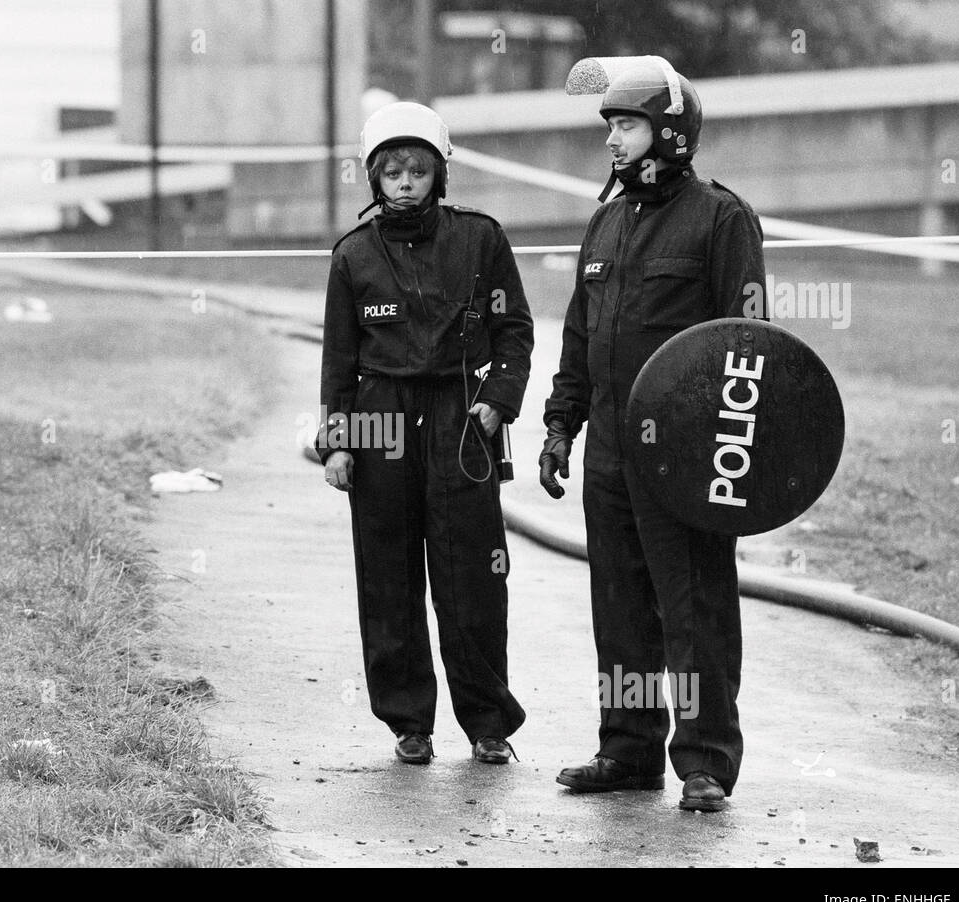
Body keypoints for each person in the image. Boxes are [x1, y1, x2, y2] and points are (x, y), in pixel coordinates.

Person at [539, 59, 766, 811]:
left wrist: (732, 450)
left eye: (626, 125)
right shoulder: (604, 221)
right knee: (620, 605)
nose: (612, 139)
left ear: (668, 131)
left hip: (686, 454)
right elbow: (579, 336)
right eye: (609, 125)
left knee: (694, 606)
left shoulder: (721, 219)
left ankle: (703, 762)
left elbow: (751, 344)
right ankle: (628, 749)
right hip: (608, 448)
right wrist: (559, 426)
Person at [317, 101, 534, 765]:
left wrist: (499, 401)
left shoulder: (481, 240)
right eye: (392, 173)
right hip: (380, 417)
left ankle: (487, 722)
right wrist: (338, 440)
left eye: (418, 170)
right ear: (374, 179)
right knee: (387, 578)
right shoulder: (353, 255)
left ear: (439, 174)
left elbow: (516, 331)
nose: (405, 183)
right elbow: (339, 361)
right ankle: (410, 721)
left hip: (460, 417)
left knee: (471, 576)